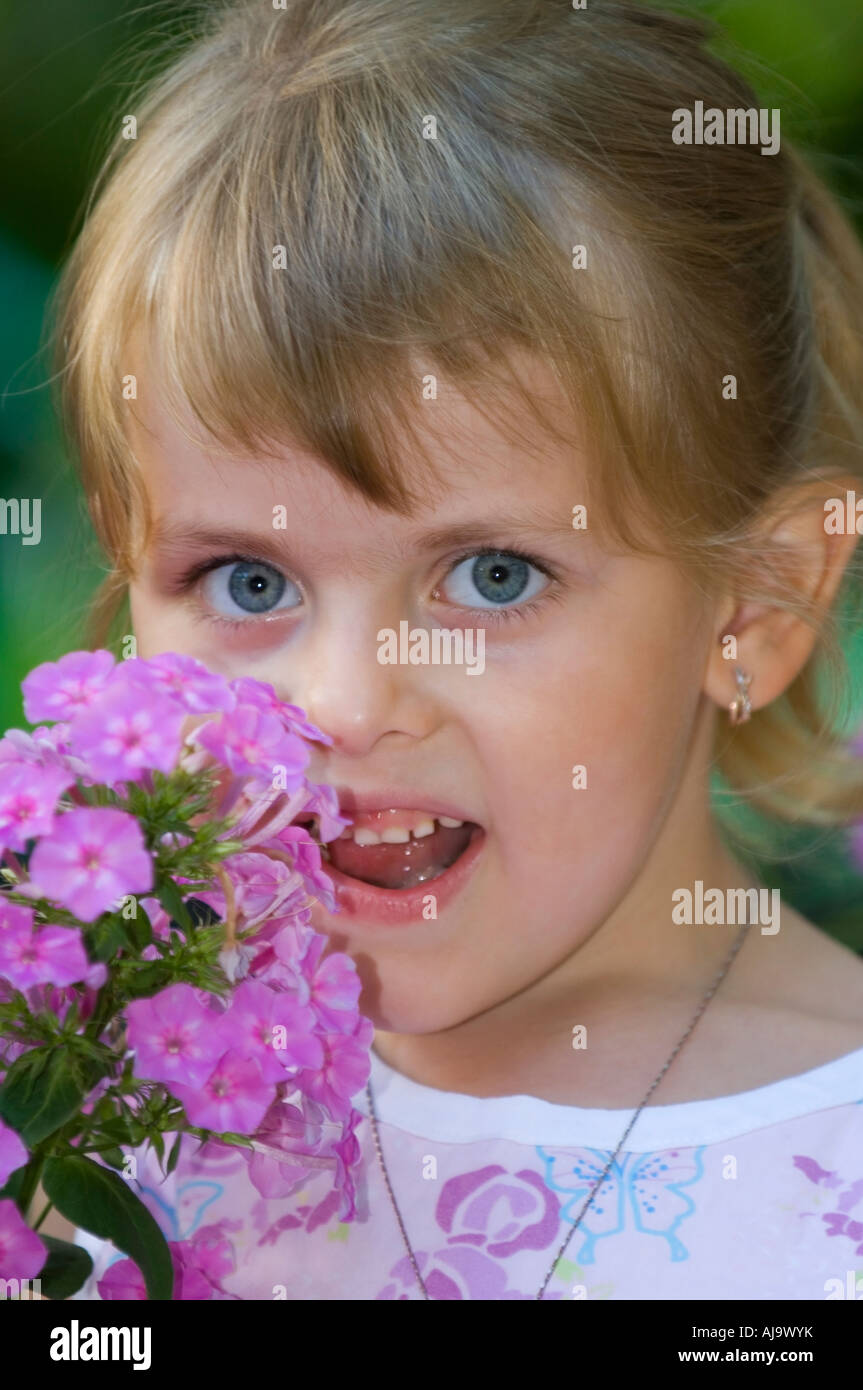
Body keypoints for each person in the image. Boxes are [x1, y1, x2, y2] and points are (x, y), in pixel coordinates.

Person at [45, 0, 863, 1299]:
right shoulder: (94, 1127)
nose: (346, 704)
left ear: (755, 603)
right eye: (246, 577)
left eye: (493, 577)